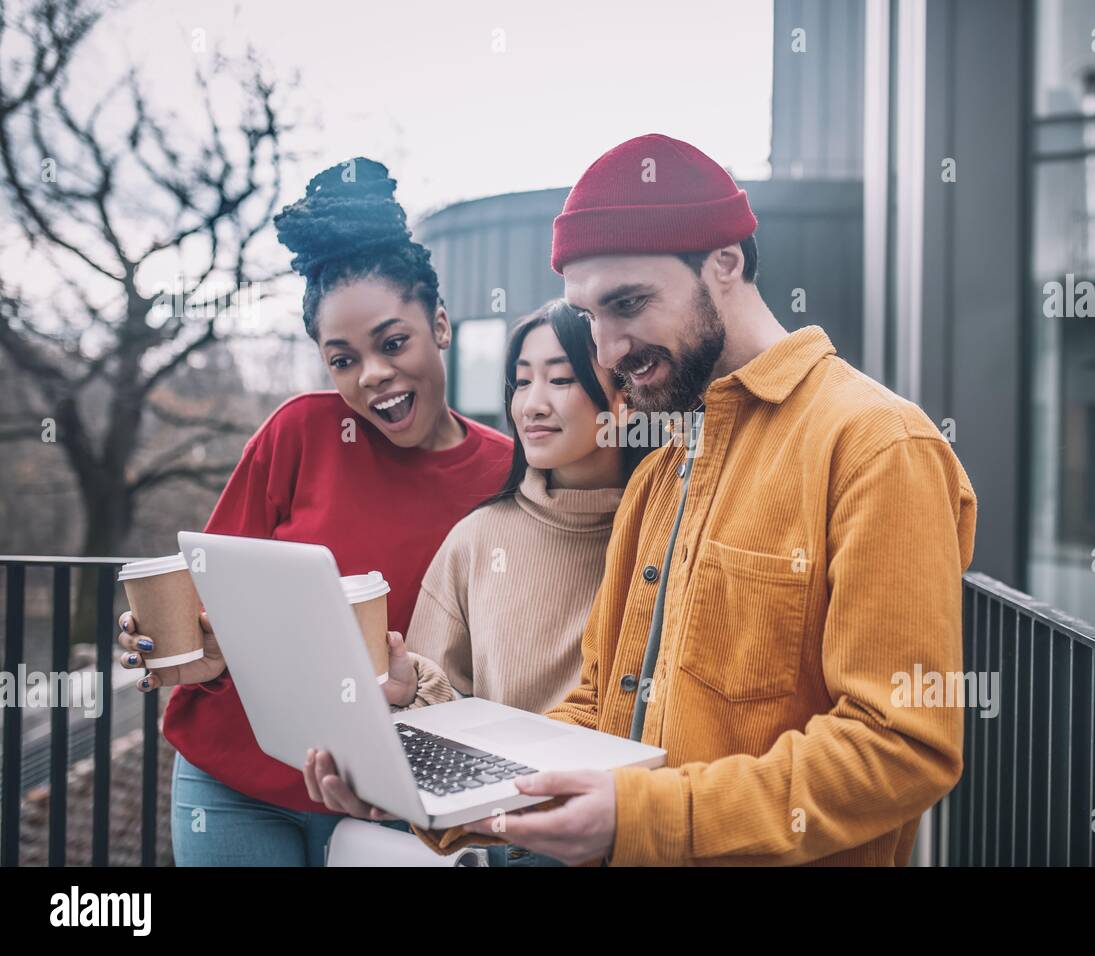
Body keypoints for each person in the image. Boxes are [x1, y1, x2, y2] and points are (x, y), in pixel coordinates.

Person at [308, 133, 978, 867]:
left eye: (628, 303)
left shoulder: (878, 446)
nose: (608, 348)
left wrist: (643, 816)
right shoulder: (663, 470)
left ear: (725, 261)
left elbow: (899, 746)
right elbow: (600, 709)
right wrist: (433, 786)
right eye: (590, 315)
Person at [116, 157, 513, 866]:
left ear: (442, 325)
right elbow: (211, 592)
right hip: (233, 784)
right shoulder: (299, 433)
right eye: (343, 359)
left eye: (393, 343)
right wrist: (186, 652)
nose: (374, 376)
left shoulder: (507, 473)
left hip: (394, 801)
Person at [305, 299, 653, 866]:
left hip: (638, 829)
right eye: (520, 382)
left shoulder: (670, 531)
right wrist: (402, 696)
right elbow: (433, 707)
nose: (531, 404)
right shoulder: (477, 538)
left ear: (625, 398)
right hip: (511, 837)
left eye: (561, 379)